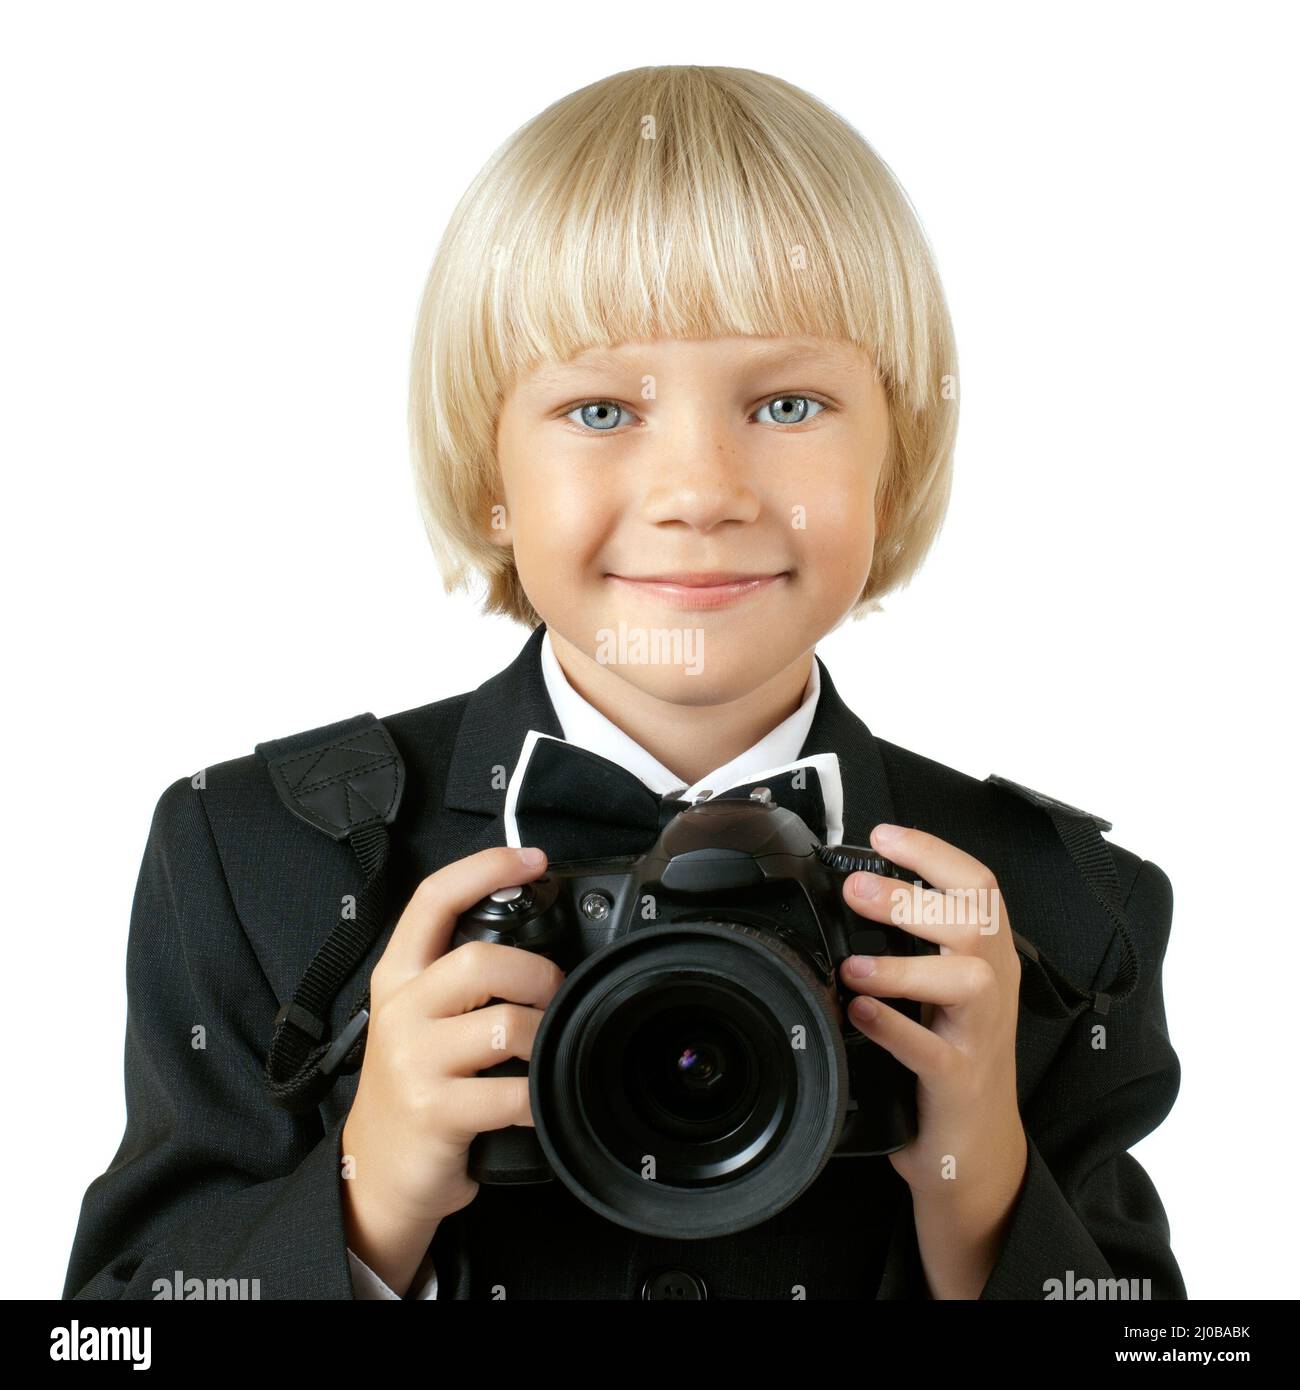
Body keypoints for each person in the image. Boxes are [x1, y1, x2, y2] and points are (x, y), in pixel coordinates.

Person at [64, 64, 1185, 1301]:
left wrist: (984, 1193)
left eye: (789, 401)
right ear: (485, 465)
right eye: (599, 408)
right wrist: (367, 1195)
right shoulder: (249, 860)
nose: (700, 490)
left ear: (897, 461)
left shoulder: (1063, 912)